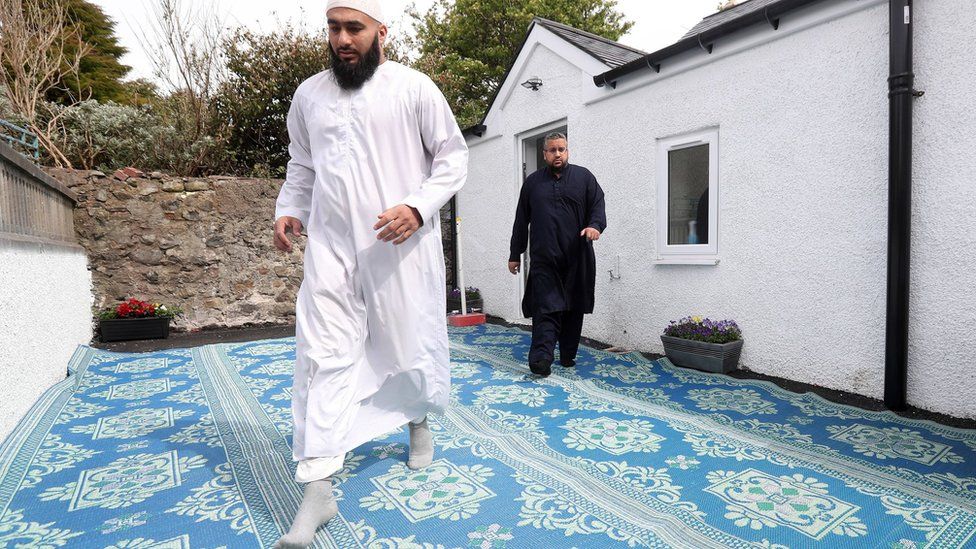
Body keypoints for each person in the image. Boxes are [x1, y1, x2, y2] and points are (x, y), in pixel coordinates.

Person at [271, 1, 467, 546]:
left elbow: (452, 158)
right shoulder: (309, 95)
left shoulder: (414, 88)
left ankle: (418, 420)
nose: (342, 39)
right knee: (322, 357)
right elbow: (302, 165)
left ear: (382, 30)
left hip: (399, 246)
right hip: (331, 248)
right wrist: (289, 207)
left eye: (354, 28)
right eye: (333, 28)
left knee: (408, 346)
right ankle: (318, 488)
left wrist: (417, 207)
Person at [508, 132, 606, 377]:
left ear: (568, 151)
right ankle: (541, 358)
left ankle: (568, 354)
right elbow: (521, 220)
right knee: (545, 308)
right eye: (552, 150)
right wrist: (515, 253)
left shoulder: (584, 178)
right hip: (545, 258)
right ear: (544, 154)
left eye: (561, 149)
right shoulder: (532, 183)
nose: (557, 154)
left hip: (577, 256)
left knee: (573, 306)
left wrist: (594, 226)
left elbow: (597, 205)